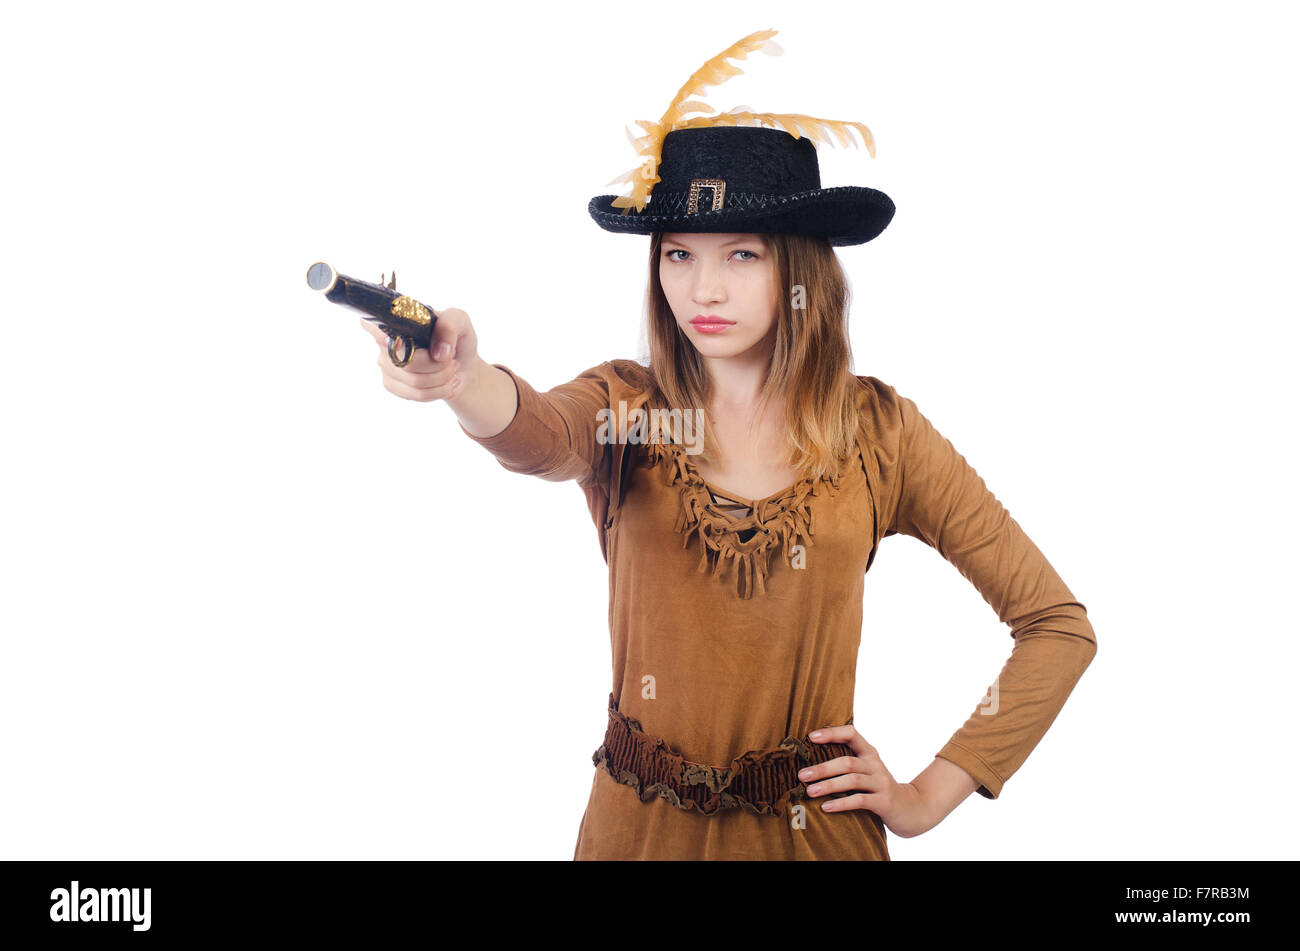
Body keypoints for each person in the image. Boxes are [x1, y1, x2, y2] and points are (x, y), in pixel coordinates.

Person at [358, 29, 1097, 860]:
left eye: (740, 255)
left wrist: (932, 790)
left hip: (815, 841)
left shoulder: (882, 434)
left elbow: (1056, 626)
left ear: (800, 271)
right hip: (634, 837)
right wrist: (464, 379)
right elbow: (539, 433)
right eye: (679, 255)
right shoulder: (624, 407)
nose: (701, 289)